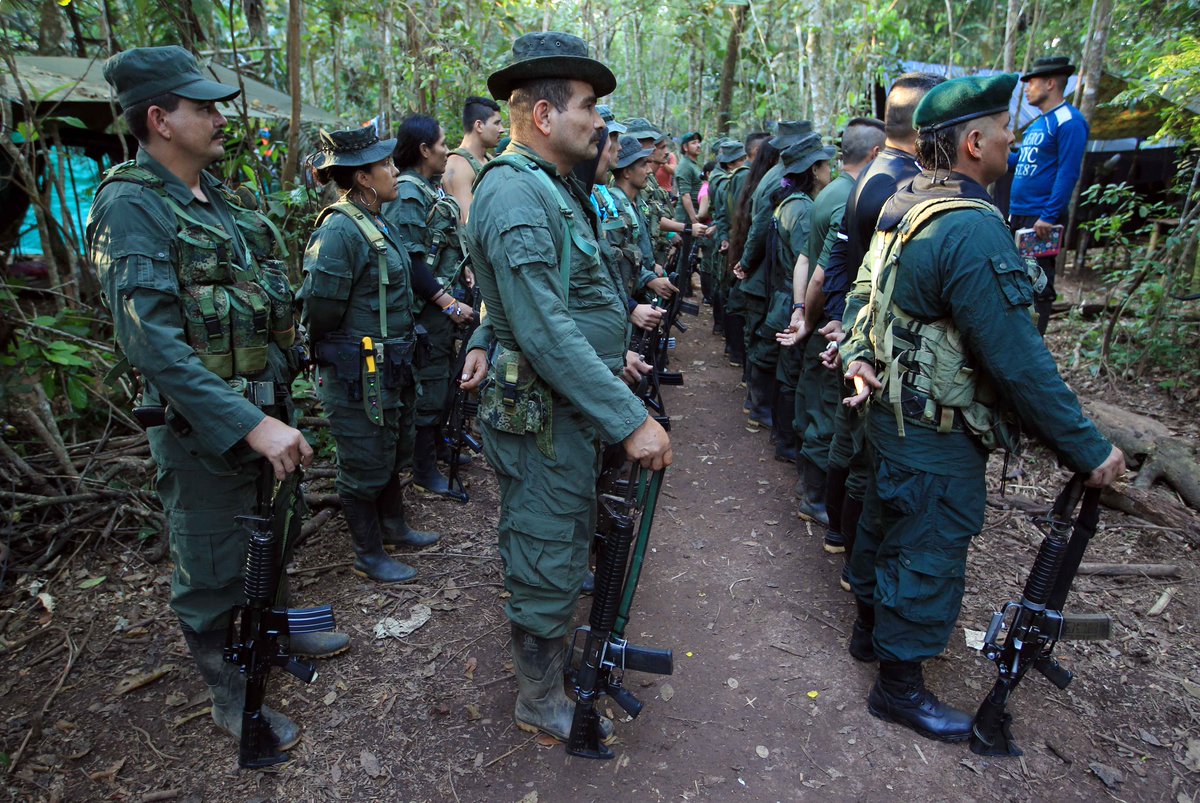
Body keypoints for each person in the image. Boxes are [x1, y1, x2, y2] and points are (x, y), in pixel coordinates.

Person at [839, 72, 1126, 743]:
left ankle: (866, 634)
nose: (1013, 139)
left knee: (884, 523)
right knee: (926, 546)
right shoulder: (969, 228)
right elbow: (1017, 360)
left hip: (888, 414)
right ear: (973, 142)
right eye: (1004, 129)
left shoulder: (905, 204)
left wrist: (858, 351)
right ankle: (899, 687)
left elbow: (862, 291)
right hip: (933, 429)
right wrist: (1087, 449)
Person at [86, 46, 347, 753]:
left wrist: (277, 404)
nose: (218, 116)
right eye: (203, 107)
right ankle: (232, 700)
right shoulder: (130, 207)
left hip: (263, 412)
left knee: (272, 535)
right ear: (159, 120)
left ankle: (277, 629)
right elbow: (155, 348)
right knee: (211, 566)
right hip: (203, 431)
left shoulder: (219, 198)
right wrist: (247, 422)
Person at [457, 31, 673, 744]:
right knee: (546, 551)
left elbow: (557, 304)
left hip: (568, 410)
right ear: (544, 116)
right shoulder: (517, 191)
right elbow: (543, 326)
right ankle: (539, 695)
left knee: (564, 536)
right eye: (587, 106)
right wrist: (627, 418)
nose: (599, 121)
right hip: (544, 417)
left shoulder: (551, 187)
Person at [300, 126, 473, 584]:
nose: (394, 170)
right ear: (361, 178)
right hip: (358, 371)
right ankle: (367, 552)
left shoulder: (380, 221)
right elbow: (320, 308)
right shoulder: (339, 230)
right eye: (385, 166)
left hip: (389, 366)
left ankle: (394, 528)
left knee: (390, 448)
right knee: (363, 459)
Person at [820, 73, 943, 591]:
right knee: (865, 464)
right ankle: (856, 568)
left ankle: (846, 550)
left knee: (854, 455)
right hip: (877, 346)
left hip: (859, 335)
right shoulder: (900, 186)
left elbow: (838, 259)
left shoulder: (876, 172)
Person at [790, 118, 884, 537]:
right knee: (828, 417)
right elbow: (822, 275)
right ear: (876, 155)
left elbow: (807, 262)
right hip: (832, 325)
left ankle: (815, 497)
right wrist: (810, 320)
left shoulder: (827, 193)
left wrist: (801, 313)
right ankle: (816, 502)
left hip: (820, 319)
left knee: (817, 408)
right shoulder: (851, 197)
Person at [381, 114, 472, 497]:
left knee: (444, 380)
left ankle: (436, 450)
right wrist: (448, 304)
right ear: (422, 150)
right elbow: (411, 262)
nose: (446, 150)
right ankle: (422, 470)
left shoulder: (429, 189)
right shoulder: (409, 193)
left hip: (441, 313)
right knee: (429, 387)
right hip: (426, 313)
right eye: (440, 144)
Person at [734, 120, 813, 431]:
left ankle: (758, 404)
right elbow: (760, 227)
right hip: (768, 275)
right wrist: (747, 262)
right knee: (764, 342)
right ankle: (759, 406)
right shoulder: (780, 179)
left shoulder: (778, 174)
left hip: (769, 272)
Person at [765, 133, 836, 463]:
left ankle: (783, 440)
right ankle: (788, 444)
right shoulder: (805, 210)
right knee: (793, 375)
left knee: (786, 372)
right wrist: (803, 309)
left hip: (782, 298)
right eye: (826, 165)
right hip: (794, 301)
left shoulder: (788, 204)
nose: (830, 170)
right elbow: (805, 263)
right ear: (816, 170)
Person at [1010, 56, 1089, 335]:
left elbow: (1068, 173)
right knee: (1016, 277)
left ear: (1051, 83)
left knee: (1039, 281)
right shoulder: (1037, 124)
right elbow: (1020, 163)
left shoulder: (1069, 121)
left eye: (1032, 83)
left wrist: (1048, 215)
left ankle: (1035, 341)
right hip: (1019, 213)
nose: (1027, 88)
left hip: (1040, 218)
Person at [608, 135, 678, 330]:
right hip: (628, 301)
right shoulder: (615, 207)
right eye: (643, 165)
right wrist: (650, 280)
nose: (649, 170)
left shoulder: (637, 203)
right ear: (628, 172)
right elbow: (618, 263)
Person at [443, 95, 505, 218]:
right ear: (479, 126)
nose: (502, 129)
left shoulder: (489, 160)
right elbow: (467, 223)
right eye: (496, 123)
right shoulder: (457, 165)